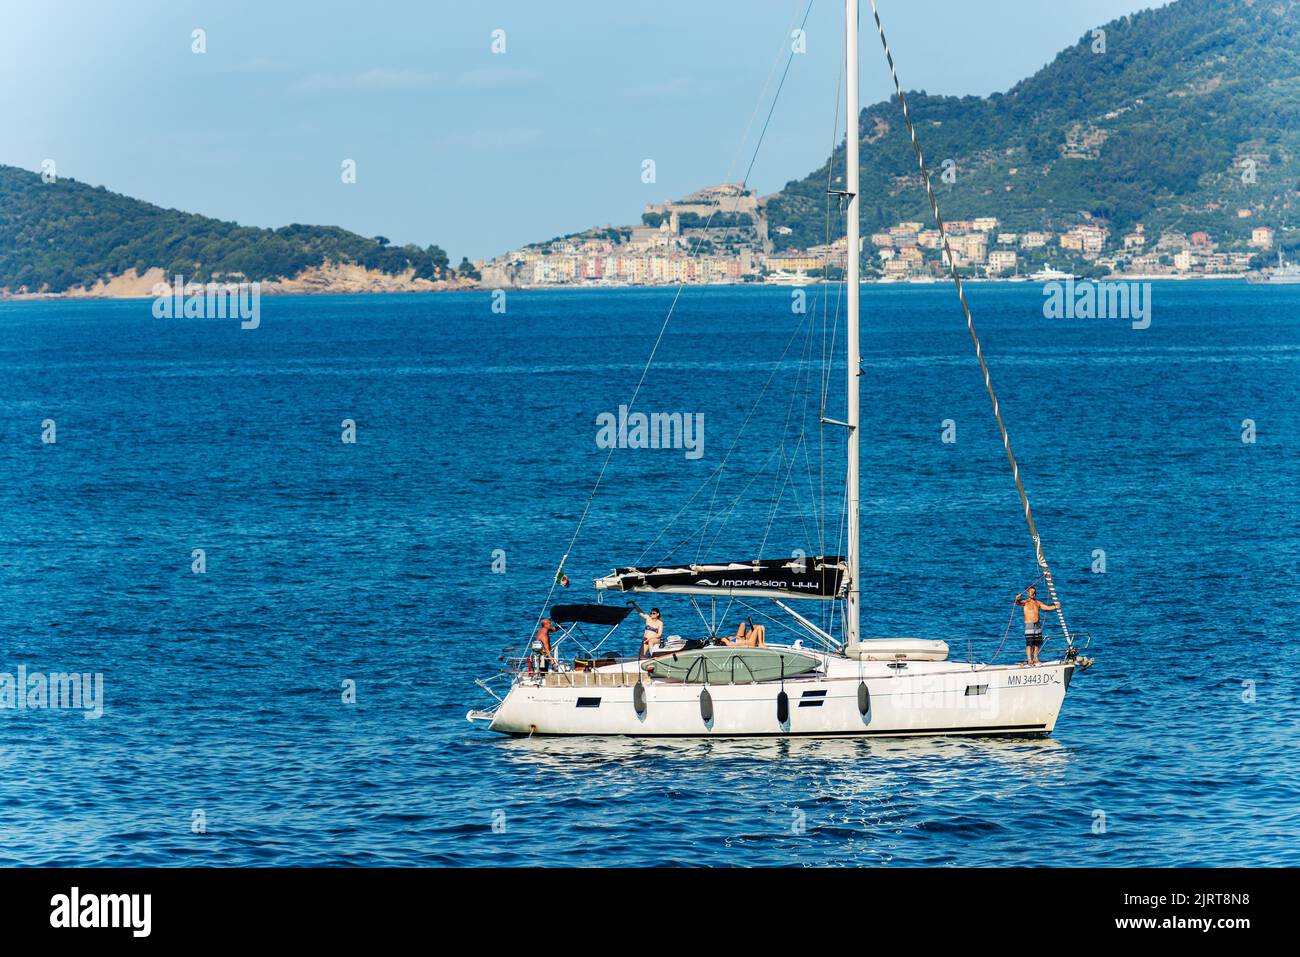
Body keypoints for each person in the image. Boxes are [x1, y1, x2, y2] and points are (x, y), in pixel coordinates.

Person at [1015, 585, 1059, 666]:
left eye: (1034, 592)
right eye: (1031, 592)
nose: (1033, 594)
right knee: (1029, 644)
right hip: (1029, 625)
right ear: (1028, 593)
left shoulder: (1038, 602)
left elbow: (1046, 607)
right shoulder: (1025, 602)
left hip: (1037, 625)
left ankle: (1036, 659)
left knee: (1036, 643)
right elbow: (1018, 602)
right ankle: (1030, 660)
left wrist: (1055, 607)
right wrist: (1017, 598)